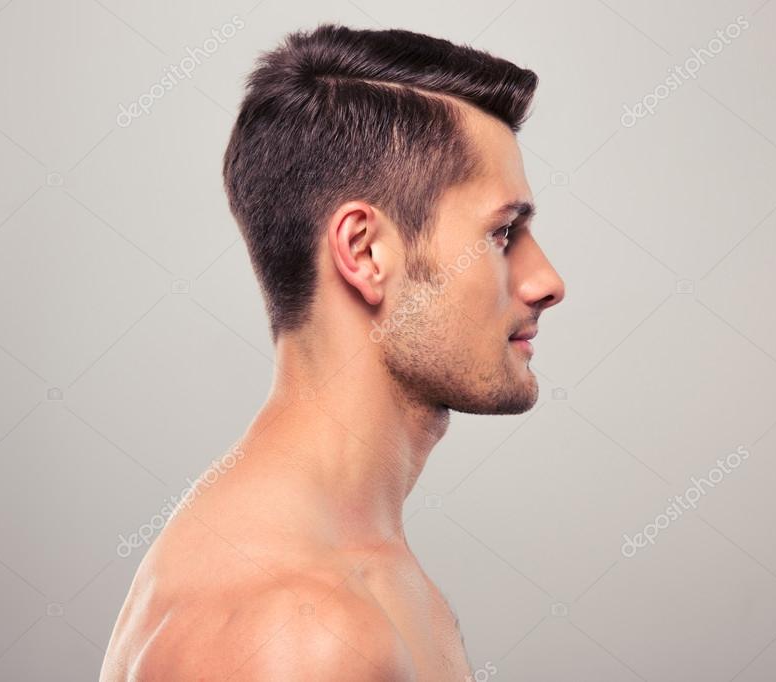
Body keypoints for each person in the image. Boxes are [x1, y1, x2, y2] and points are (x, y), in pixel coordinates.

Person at [101, 22, 565, 681]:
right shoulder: (295, 633)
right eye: (502, 232)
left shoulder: (347, 563)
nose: (545, 281)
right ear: (365, 252)